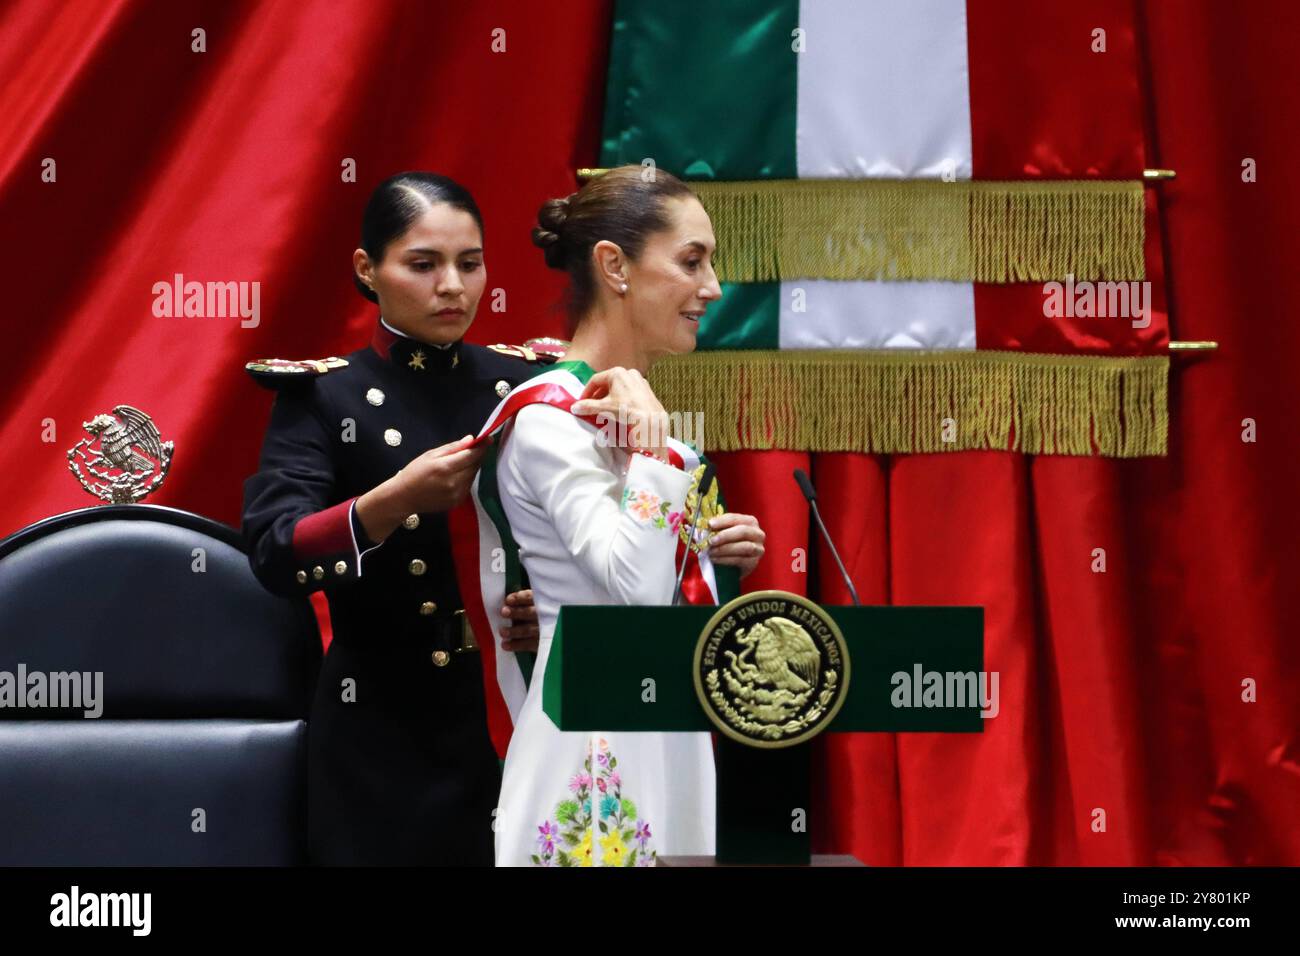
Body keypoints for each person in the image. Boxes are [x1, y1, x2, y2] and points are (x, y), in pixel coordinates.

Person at [241, 172, 549, 865]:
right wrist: (395, 499)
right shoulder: (324, 396)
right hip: (379, 724)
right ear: (367, 269)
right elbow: (275, 552)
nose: (453, 286)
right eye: (423, 263)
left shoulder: (526, 387)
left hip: (511, 709)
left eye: (470, 264)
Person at [473, 166, 767, 865]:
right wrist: (652, 450)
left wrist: (720, 563)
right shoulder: (549, 422)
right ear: (615, 266)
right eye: (691, 261)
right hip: (589, 738)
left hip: (671, 733)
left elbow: (674, 607)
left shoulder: (668, 444)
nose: (713, 287)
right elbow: (629, 593)